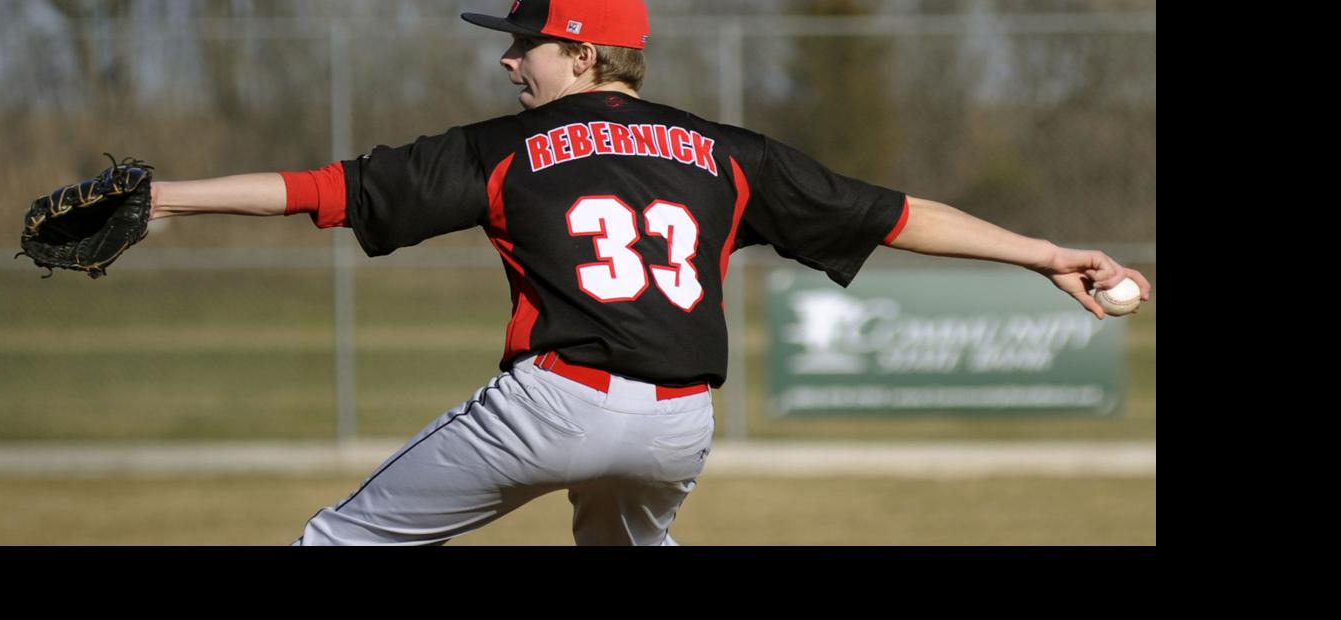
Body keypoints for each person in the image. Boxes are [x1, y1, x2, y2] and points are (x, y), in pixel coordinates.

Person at [147, 0, 1152, 546]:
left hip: (558, 398)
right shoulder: (726, 151)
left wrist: (164, 199)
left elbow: (323, 189)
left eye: (526, 41)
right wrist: (1042, 252)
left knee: (340, 540)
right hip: (678, 421)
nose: (510, 61)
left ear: (582, 56)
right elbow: (891, 213)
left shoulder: (505, 144)